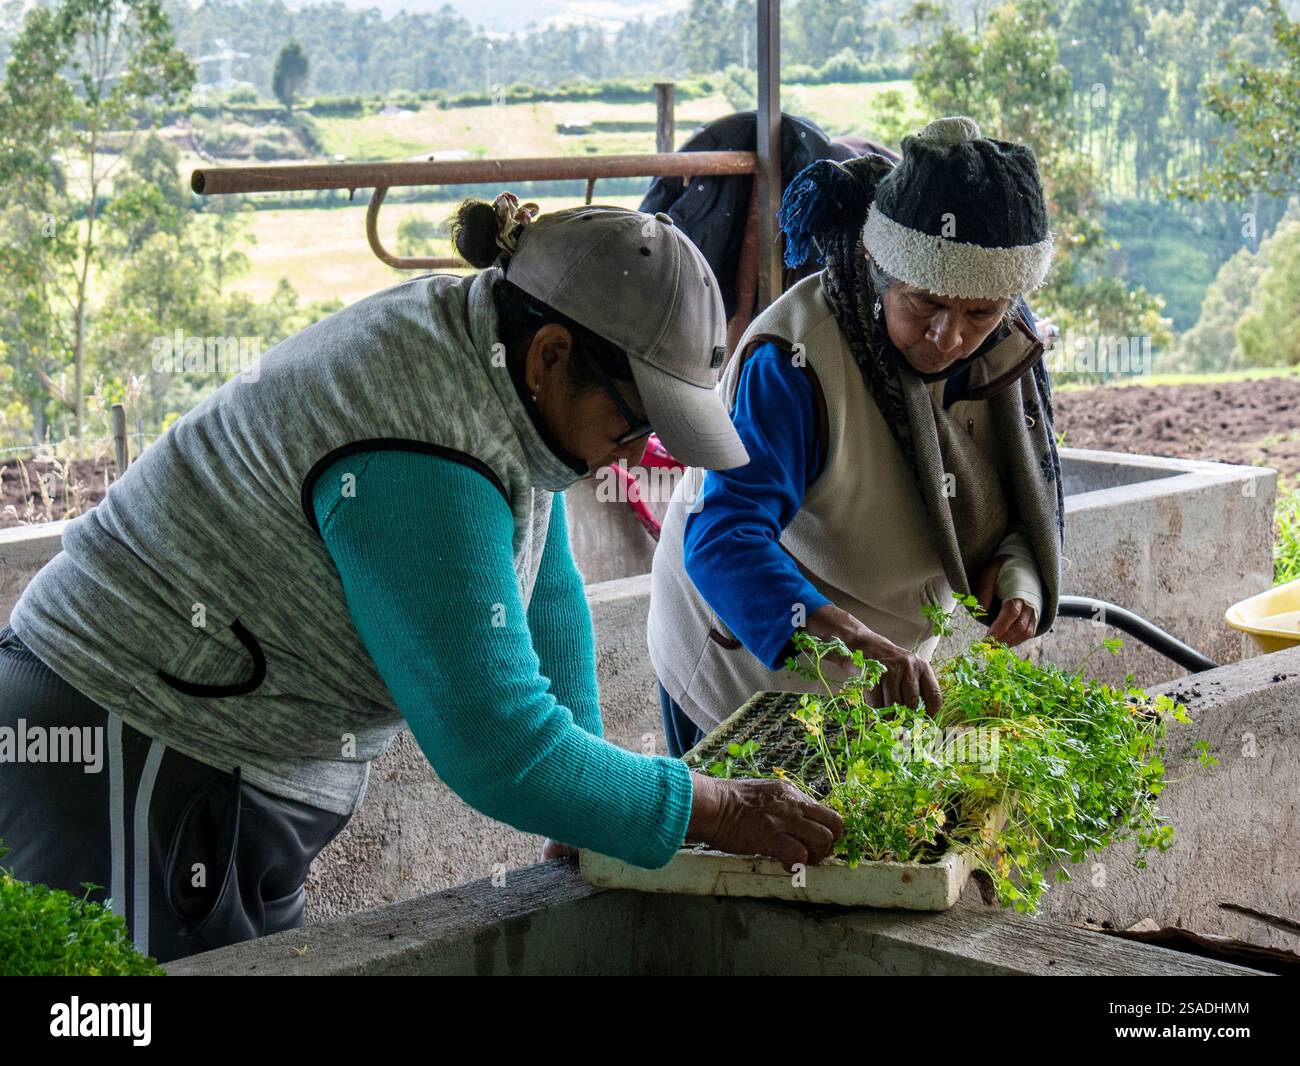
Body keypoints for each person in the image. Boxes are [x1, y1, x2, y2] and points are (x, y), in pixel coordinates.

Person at [0, 193, 843, 963]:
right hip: (131, 737)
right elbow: (498, 747)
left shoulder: (493, 370)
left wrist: (593, 811)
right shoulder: (420, 445)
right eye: (635, 424)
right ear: (553, 354)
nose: (631, 457)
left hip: (224, 766)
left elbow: (545, 596)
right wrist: (717, 808)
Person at [648, 116, 1066, 756]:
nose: (948, 338)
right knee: (747, 848)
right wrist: (850, 637)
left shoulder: (1008, 358)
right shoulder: (796, 363)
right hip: (744, 658)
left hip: (876, 666)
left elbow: (1010, 503)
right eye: (924, 304)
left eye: (978, 314)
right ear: (879, 270)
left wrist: (1019, 582)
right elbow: (724, 537)